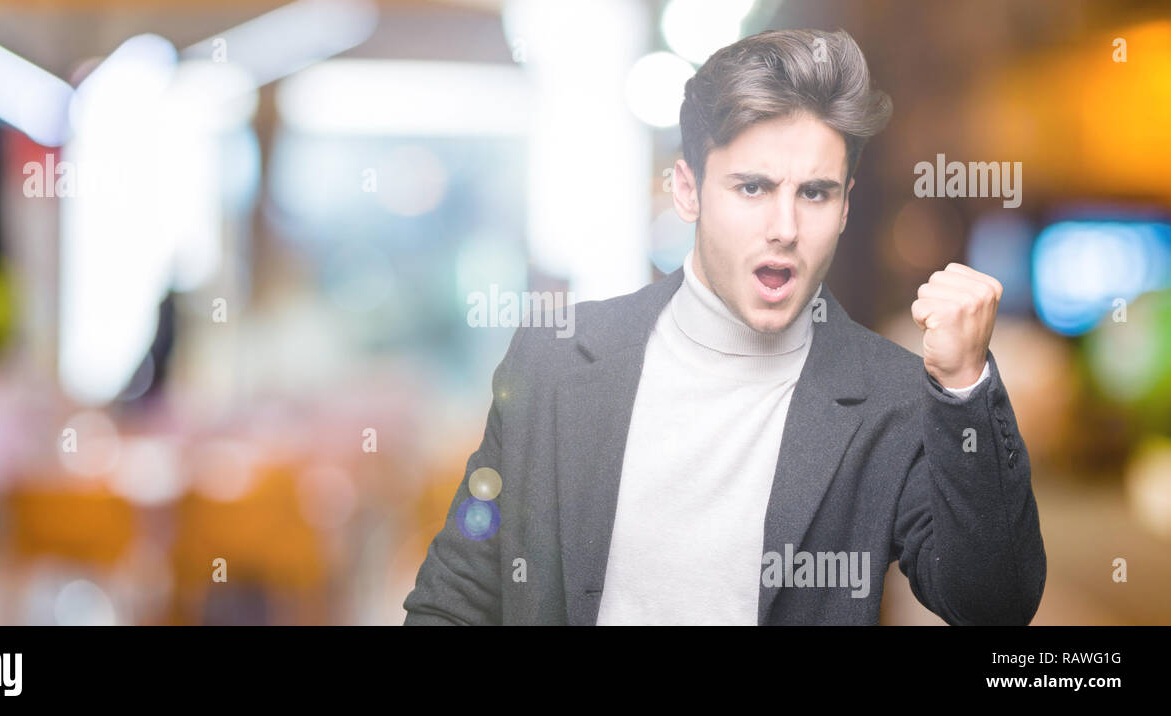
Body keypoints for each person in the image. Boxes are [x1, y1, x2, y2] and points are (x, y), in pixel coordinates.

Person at [403, 28, 1046, 625]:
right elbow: (458, 594)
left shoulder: (891, 397)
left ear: (846, 207)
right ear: (688, 191)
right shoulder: (554, 362)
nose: (786, 228)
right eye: (752, 188)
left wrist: (964, 383)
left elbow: (993, 604)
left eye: (815, 193)